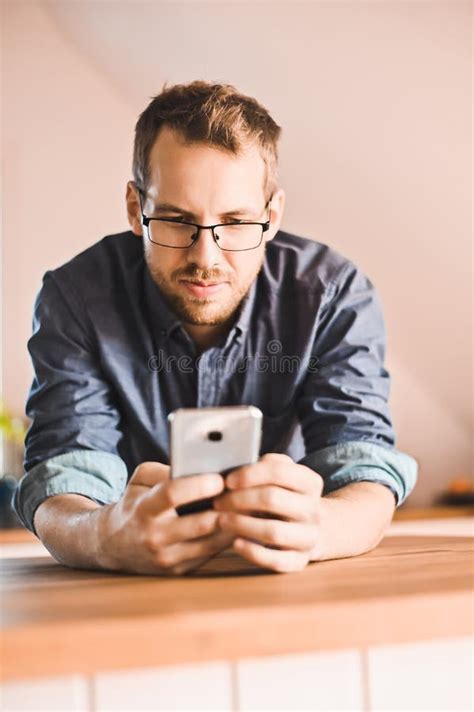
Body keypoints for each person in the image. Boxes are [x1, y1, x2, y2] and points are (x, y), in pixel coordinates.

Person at [14, 80, 417, 575]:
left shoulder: (332, 293)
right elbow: (64, 468)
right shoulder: (76, 296)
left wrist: (323, 526)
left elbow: (364, 464)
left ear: (272, 217)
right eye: (177, 220)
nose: (205, 257)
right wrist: (101, 536)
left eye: (236, 222)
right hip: (127, 584)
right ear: (134, 208)